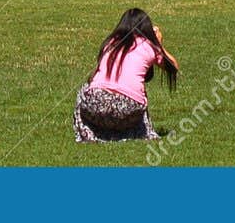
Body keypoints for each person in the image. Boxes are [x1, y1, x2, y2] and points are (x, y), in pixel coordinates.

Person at [73, 8, 177, 143]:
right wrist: (158, 44)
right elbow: (173, 67)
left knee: (84, 91)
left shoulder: (110, 43)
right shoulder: (149, 46)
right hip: (129, 111)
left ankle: (89, 136)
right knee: (140, 94)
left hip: (95, 108)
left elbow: (93, 78)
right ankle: (142, 133)